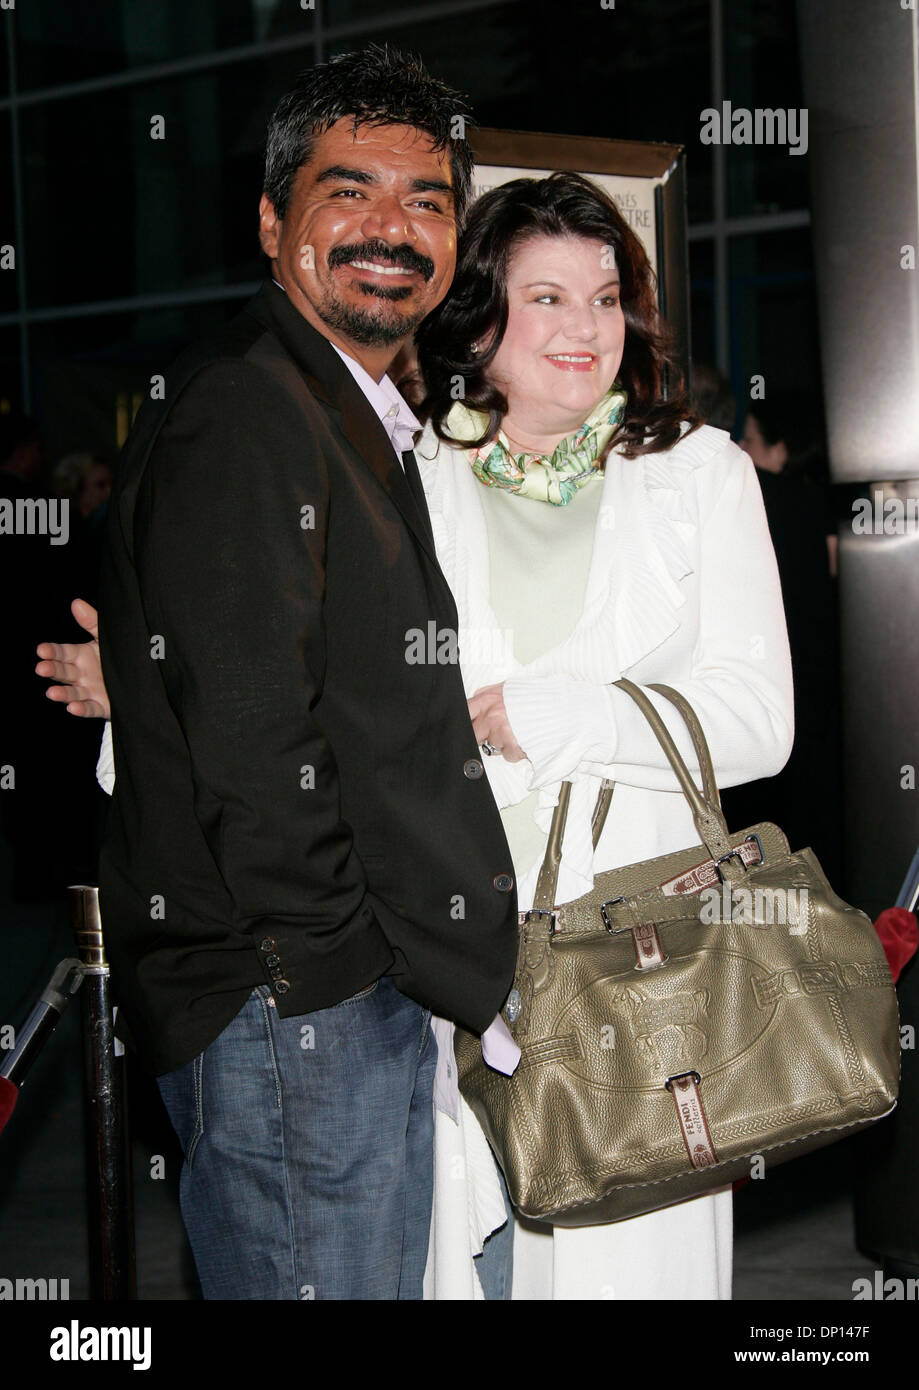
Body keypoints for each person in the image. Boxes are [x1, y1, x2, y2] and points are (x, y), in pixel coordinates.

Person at [42, 171, 794, 1300]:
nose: (582, 327)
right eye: (544, 297)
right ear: (478, 316)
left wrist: (578, 710)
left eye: (603, 297)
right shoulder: (412, 470)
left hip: (637, 970)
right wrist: (151, 684)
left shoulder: (694, 474)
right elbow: (295, 677)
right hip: (441, 964)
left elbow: (761, 723)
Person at [36, 43, 519, 1301]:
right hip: (293, 1004)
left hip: (319, 1000)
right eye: (346, 191)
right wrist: (329, 969)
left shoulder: (344, 415)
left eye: (425, 200)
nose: (391, 228)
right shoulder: (254, 412)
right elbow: (255, 737)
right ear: (270, 221)